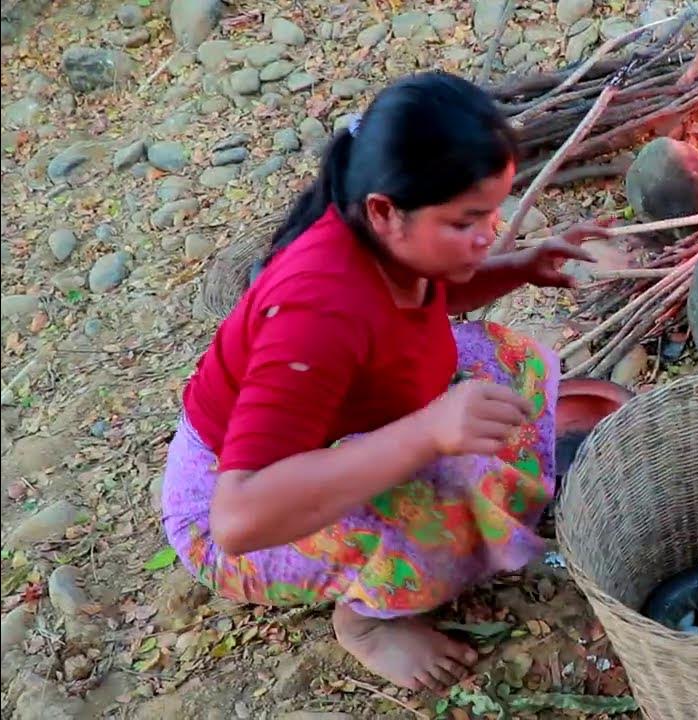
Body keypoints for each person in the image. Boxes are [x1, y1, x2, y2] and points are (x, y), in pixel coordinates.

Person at [161, 71, 603, 692]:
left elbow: (432, 292)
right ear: (385, 212)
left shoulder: (387, 240)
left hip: (337, 433)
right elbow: (240, 519)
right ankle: (365, 624)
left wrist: (519, 269)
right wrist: (427, 433)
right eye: (466, 221)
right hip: (228, 512)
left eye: (492, 212)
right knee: (448, 511)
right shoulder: (315, 315)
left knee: (507, 366)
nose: (487, 233)